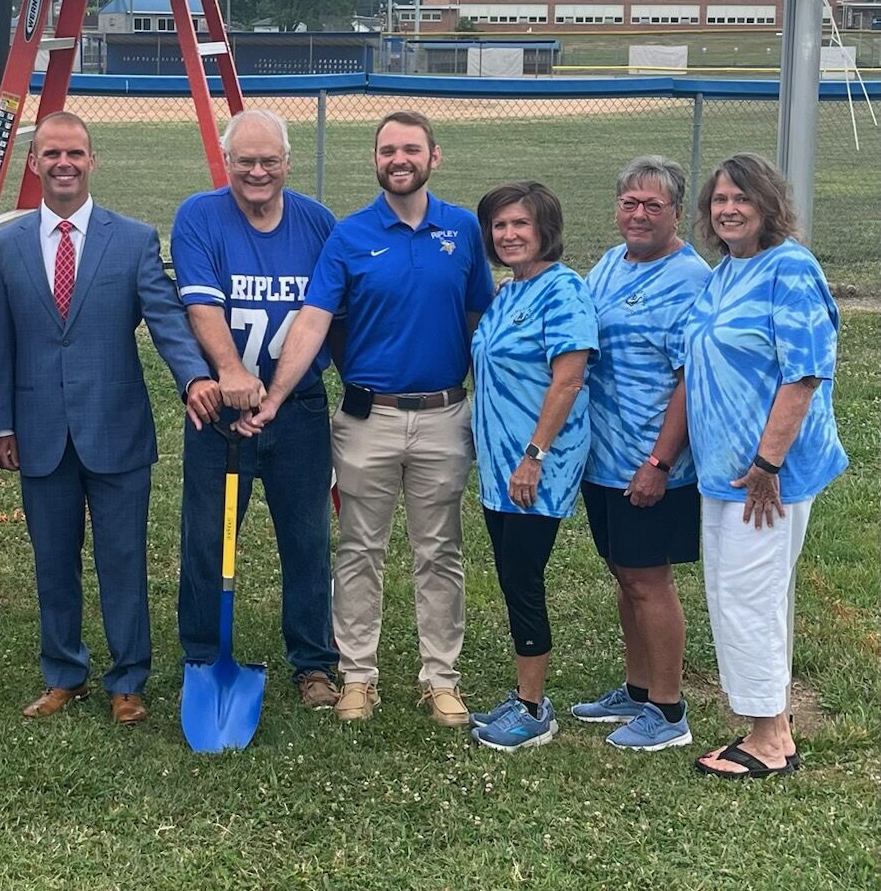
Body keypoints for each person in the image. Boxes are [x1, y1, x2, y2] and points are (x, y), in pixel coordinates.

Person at [245, 110, 492, 726]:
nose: (398, 159)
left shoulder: (462, 230)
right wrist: (275, 396)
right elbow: (313, 320)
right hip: (366, 420)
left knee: (439, 551)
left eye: (410, 148)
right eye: (387, 150)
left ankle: (441, 679)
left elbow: (481, 325)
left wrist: (499, 407)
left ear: (435, 156)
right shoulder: (350, 235)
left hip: (443, 415)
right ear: (375, 161)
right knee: (359, 549)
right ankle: (358, 676)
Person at [0, 112, 221, 724]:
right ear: (34, 164)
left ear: (93, 161)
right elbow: (0, 342)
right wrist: (1, 424)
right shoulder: (5, 246)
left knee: (123, 559)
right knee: (52, 561)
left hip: (116, 428)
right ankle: (64, 674)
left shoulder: (134, 238)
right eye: (51, 154)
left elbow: (167, 320)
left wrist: (194, 376)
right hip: (38, 434)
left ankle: (128, 680)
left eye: (76, 154)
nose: (64, 164)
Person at [171, 110, 339, 709]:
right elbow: (201, 307)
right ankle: (199, 655)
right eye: (246, 161)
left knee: (307, 537)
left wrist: (274, 396)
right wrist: (232, 373)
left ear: (288, 163)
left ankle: (314, 662)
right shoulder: (199, 215)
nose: (258, 171)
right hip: (221, 411)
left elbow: (328, 319)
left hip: (297, 410)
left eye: (270, 160)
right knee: (207, 539)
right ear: (227, 161)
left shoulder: (319, 224)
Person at [687, 154, 847, 779]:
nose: (728, 208)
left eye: (741, 198)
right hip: (727, 472)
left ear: (768, 205)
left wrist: (766, 462)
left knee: (745, 598)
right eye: (719, 199)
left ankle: (766, 743)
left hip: (765, 477)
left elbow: (803, 372)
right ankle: (772, 721)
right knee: (750, 594)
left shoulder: (789, 268)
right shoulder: (728, 270)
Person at [572, 156, 710, 752]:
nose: (639, 214)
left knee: (650, 582)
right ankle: (636, 689)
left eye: (654, 205)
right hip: (601, 457)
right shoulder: (609, 262)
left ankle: (668, 709)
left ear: (678, 213)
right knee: (625, 575)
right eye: (630, 202)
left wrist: (659, 463)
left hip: (650, 462)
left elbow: (688, 380)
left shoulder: (691, 279)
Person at [469, 181, 597, 752]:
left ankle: (532, 709)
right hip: (499, 465)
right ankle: (525, 693)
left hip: (536, 466)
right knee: (510, 574)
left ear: (545, 228)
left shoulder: (562, 292)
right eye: (499, 226)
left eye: (520, 224)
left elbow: (568, 379)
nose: (509, 234)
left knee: (522, 579)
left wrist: (534, 456)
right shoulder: (510, 290)